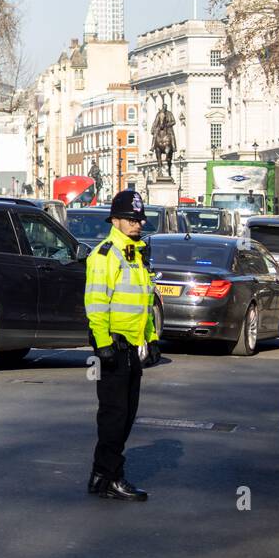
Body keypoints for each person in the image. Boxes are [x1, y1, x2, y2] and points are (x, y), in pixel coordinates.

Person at [85, 190, 158, 502]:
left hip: (131, 347)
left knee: (126, 414)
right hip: (113, 345)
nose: (136, 223)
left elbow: (144, 300)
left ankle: (104, 475)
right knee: (114, 415)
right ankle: (108, 476)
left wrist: (152, 338)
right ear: (114, 220)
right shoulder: (106, 254)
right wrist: (103, 345)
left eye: (138, 218)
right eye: (130, 218)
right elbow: (96, 302)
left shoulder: (135, 253)